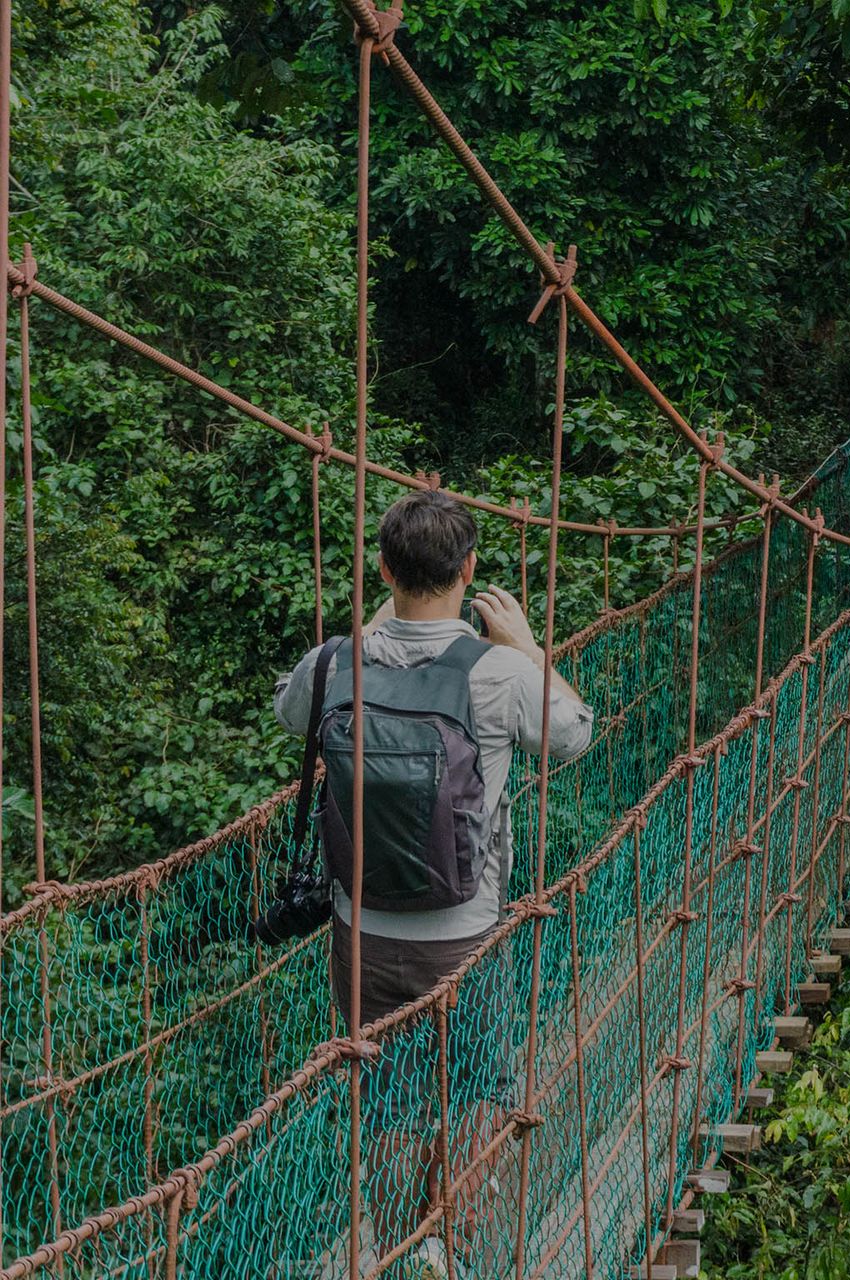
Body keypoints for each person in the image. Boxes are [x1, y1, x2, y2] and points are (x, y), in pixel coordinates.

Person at [274, 489, 594, 1275]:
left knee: (380, 1104)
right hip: (466, 935)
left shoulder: (331, 664)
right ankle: (445, 1247)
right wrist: (527, 646)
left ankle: (389, 1248)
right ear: (470, 569)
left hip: (362, 931)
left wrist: (361, 649)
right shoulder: (498, 673)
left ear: (382, 569)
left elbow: (289, 716)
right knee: (472, 1092)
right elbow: (575, 736)